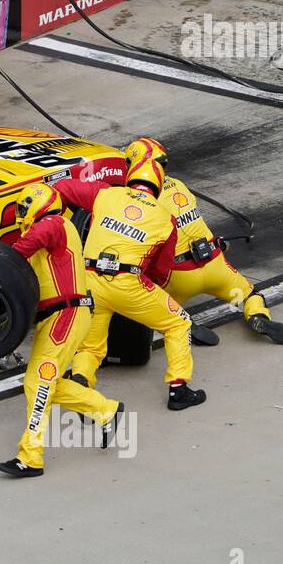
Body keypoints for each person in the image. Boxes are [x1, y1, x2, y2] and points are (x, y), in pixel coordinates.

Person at [52, 154, 206, 410]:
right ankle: (178, 390)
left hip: (88, 279)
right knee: (179, 323)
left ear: (130, 178)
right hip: (127, 283)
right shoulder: (165, 218)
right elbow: (161, 270)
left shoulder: (106, 194)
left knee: (91, 346)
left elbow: (61, 188)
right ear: (158, 185)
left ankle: (80, 384)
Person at [0, 183, 124, 478]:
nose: (21, 215)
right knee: (42, 384)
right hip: (61, 316)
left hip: (65, 315)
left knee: (38, 384)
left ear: (35, 204)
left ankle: (31, 457)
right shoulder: (56, 228)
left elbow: (20, 251)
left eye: (23, 208)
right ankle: (105, 410)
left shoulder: (53, 223)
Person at [125, 138, 283, 346]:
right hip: (215, 266)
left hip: (179, 277)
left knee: (146, 306)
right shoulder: (180, 185)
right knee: (247, 294)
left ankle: (185, 322)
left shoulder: (135, 198)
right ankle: (257, 316)